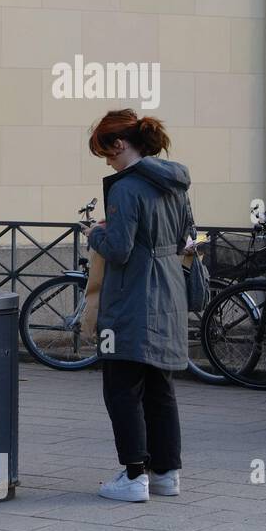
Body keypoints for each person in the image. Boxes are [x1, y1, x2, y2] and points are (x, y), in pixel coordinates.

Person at [85, 110, 193, 502]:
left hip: (130, 298)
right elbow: (190, 239)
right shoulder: (175, 184)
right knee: (160, 387)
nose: (107, 163)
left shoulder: (126, 189)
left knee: (121, 386)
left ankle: (134, 476)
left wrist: (94, 234)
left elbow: (119, 249)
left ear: (120, 145)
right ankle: (166, 473)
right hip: (169, 293)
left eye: (106, 154)